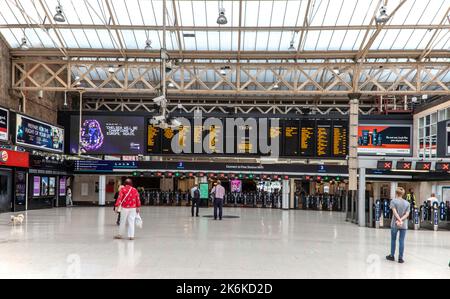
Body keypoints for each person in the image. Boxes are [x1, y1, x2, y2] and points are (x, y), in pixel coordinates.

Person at [386, 187, 410, 264]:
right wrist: (402, 220)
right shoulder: (407, 203)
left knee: (393, 240)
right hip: (403, 225)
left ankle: (392, 256)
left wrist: (398, 220)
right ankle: (400, 258)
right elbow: (407, 214)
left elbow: (394, 212)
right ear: (403, 194)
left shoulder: (393, 201)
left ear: (396, 193)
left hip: (394, 224)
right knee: (401, 241)